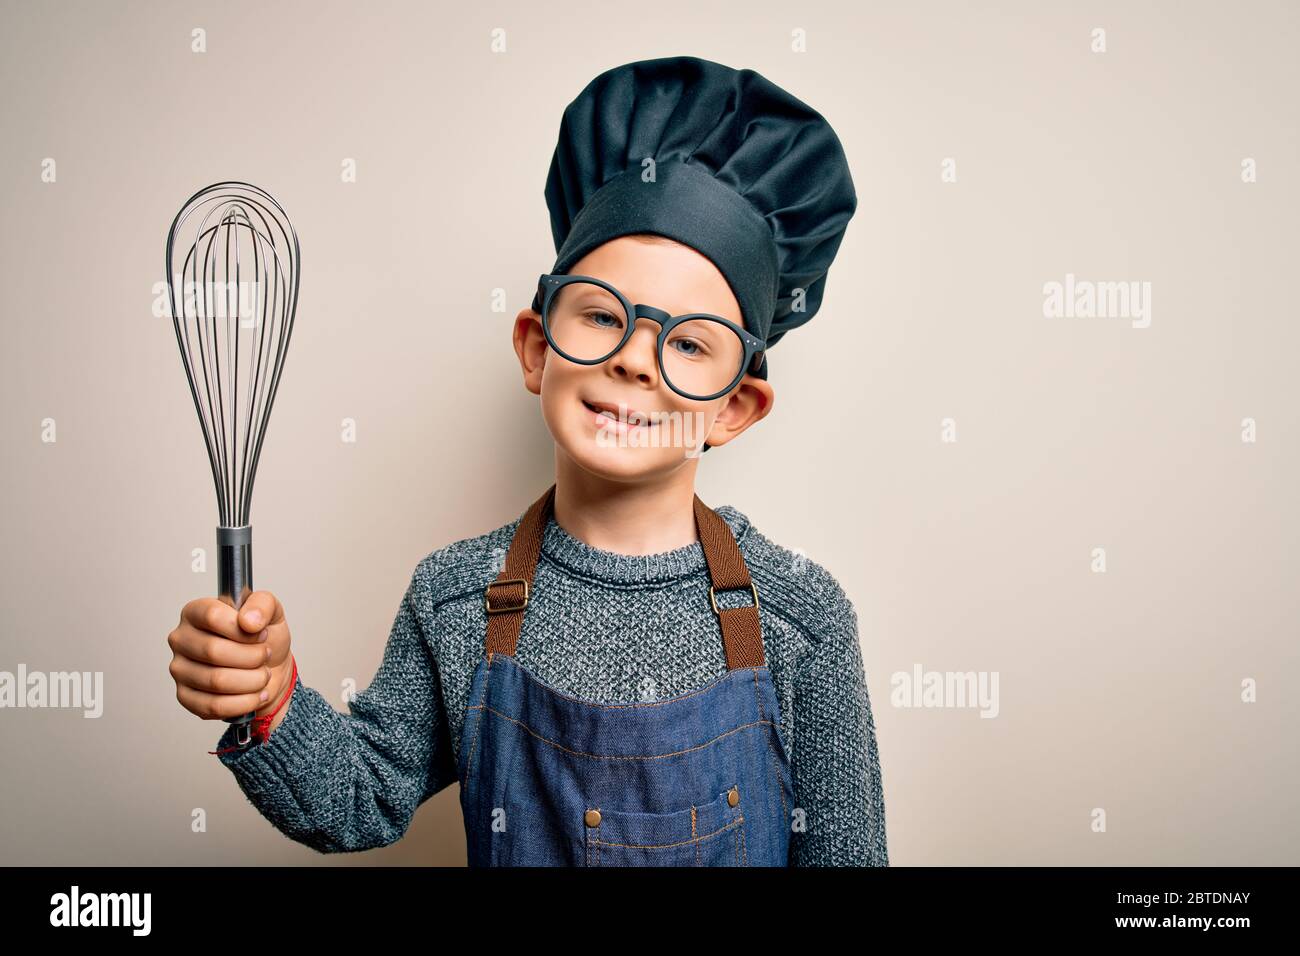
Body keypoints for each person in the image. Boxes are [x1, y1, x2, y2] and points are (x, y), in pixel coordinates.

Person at [167, 55, 887, 866]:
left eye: (688, 342)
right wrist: (268, 700)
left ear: (734, 407)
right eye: (600, 315)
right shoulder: (455, 599)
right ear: (536, 348)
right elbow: (357, 800)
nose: (636, 362)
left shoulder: (802, 619)